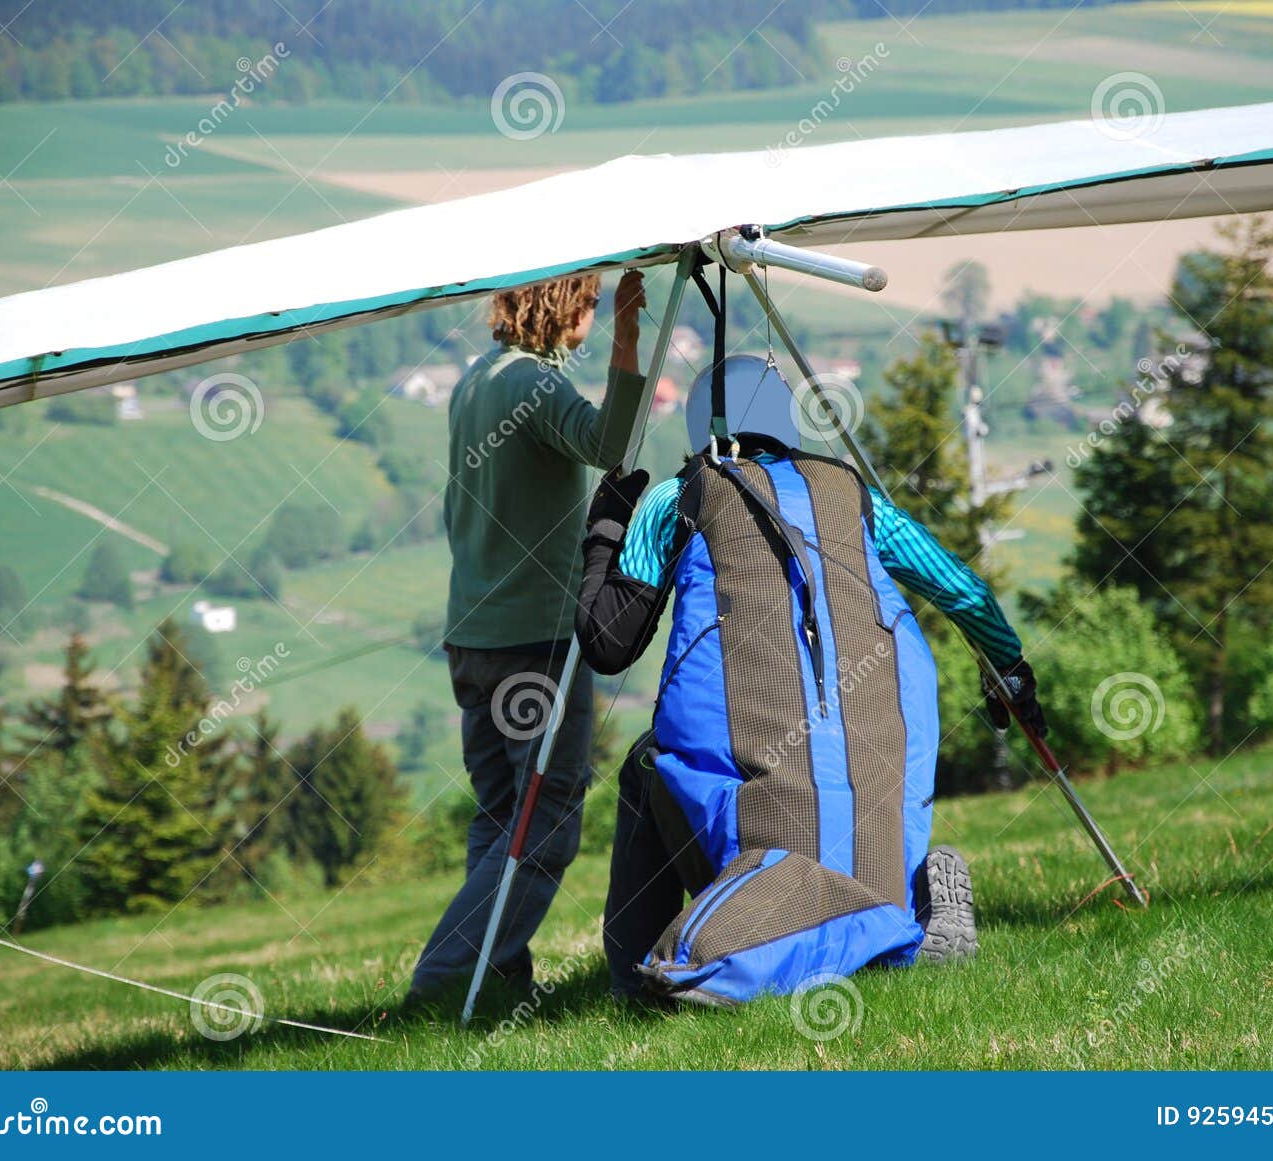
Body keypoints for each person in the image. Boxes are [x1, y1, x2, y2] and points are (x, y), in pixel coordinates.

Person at [574, 355, 1047, 1005]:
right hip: (876, 762)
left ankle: (636, 977)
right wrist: (1010, 673)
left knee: (644, 765)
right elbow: (962, 591)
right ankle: (903, 905)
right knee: (843, 810)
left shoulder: (678, 495)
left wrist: (603, 528)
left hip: (758, 795)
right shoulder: (852, 494)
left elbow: (607, 640)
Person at [407, 269, 646, 1004]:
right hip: (529, 648)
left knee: (499, 816)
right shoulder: (533, 388)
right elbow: (611, 444)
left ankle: (493, 977)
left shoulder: (477, 379)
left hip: (473, 635)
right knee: (545, 826)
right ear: (566, 305)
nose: (595, 317)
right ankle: (446, 975)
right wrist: (632, 338)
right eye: (592, 305)